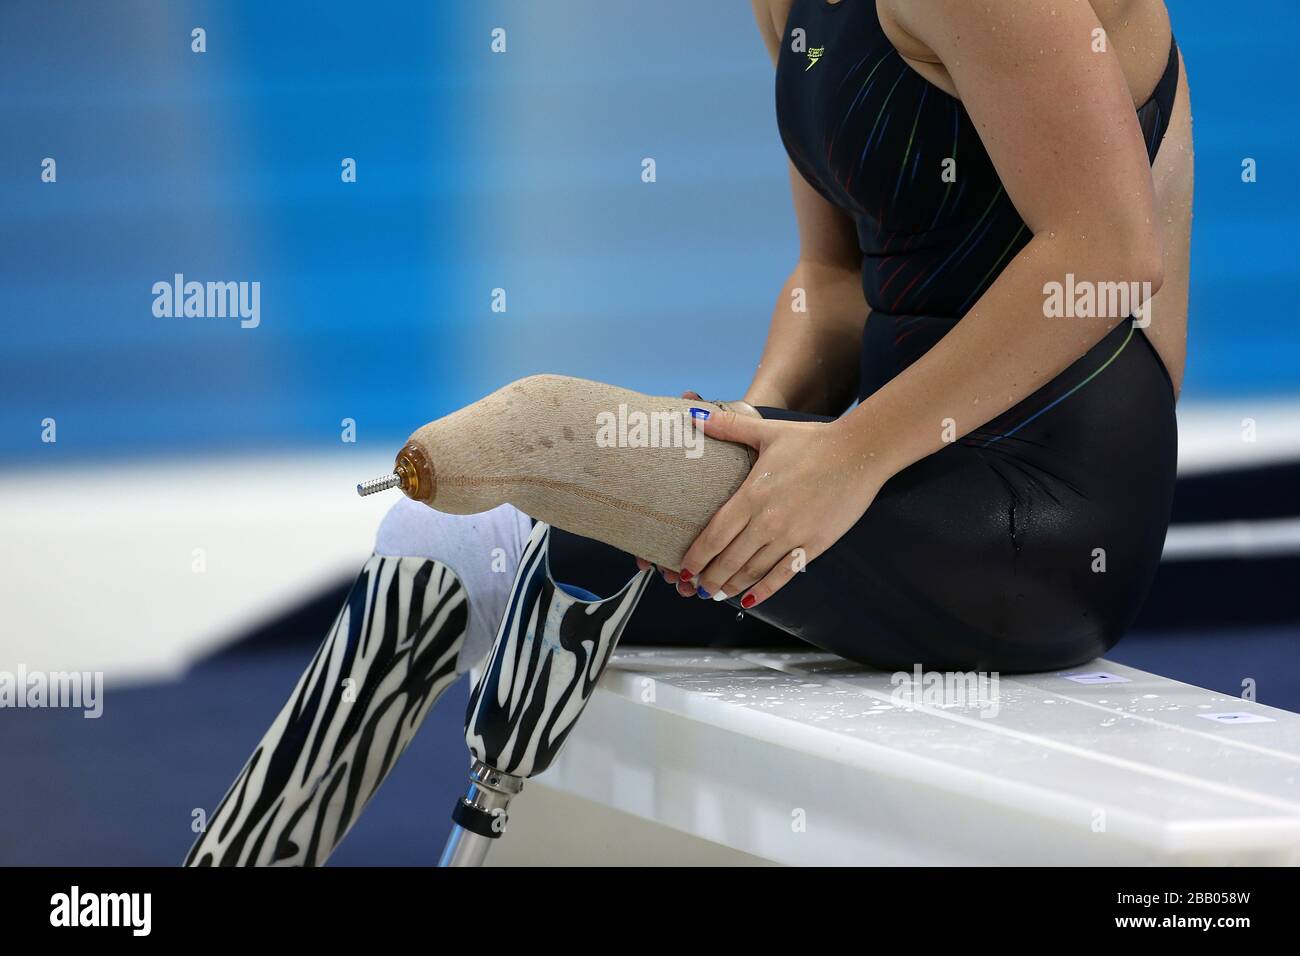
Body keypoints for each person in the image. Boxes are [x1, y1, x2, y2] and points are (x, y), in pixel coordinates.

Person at [187, 0, 1193, 865]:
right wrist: (746, 429)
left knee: (547, 442)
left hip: (1042, 523)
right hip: (893, 481)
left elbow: (1106, 251)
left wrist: (846, 453)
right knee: (449, 535)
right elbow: (834, 284)